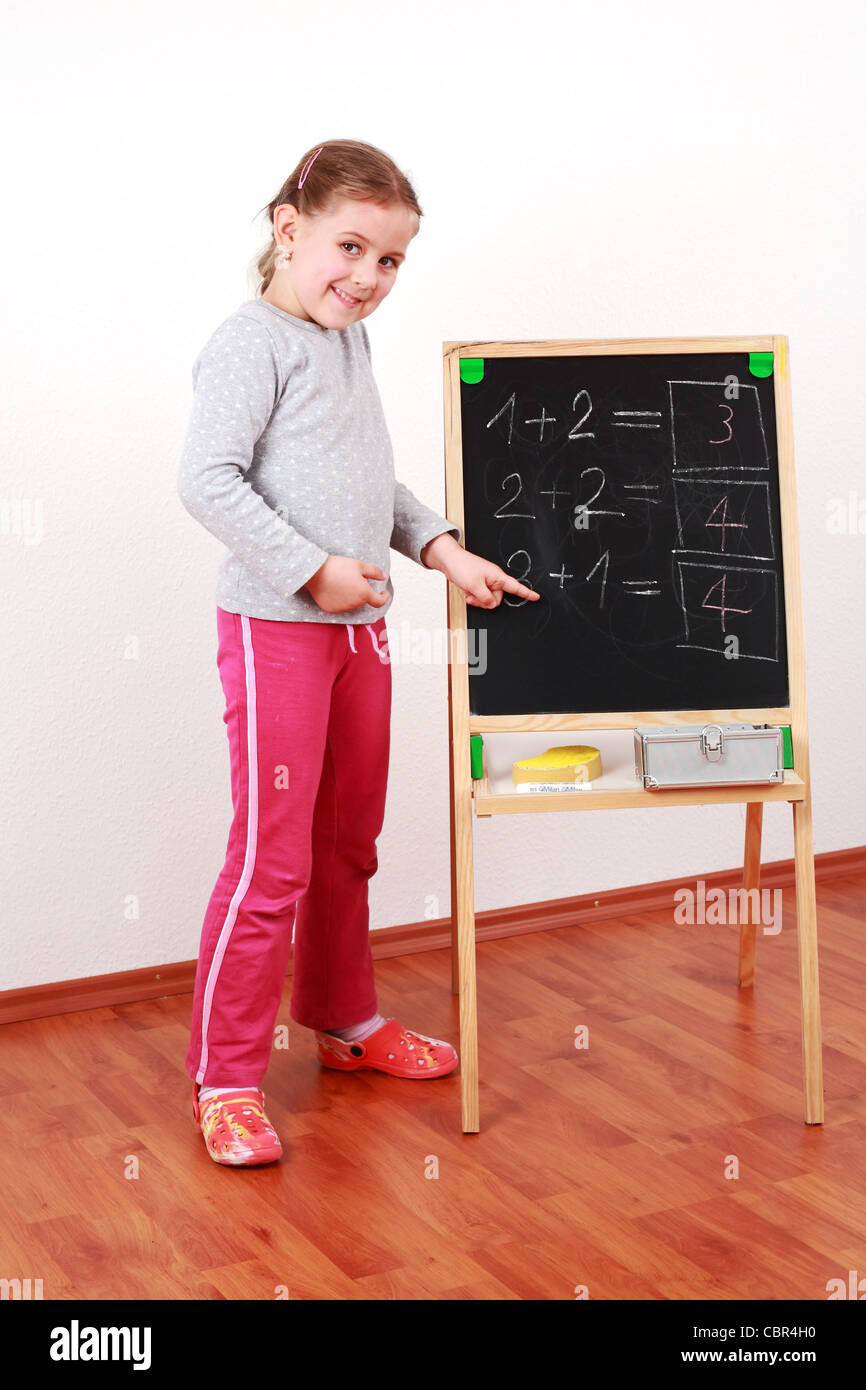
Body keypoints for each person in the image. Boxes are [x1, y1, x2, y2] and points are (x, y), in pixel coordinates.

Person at [178, 139, 540, 1166]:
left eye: (389, 261)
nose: (368, 278)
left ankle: (343, 1019)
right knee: (270, 858)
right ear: (289, 227)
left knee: (347, 843)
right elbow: (206, 478)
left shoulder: (346, 345)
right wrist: (310, 570)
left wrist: (438, 546)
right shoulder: (252, 343)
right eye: (350, 247)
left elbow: (368, 483)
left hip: (360, 632)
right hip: (278, 629)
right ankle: (227, 1076)